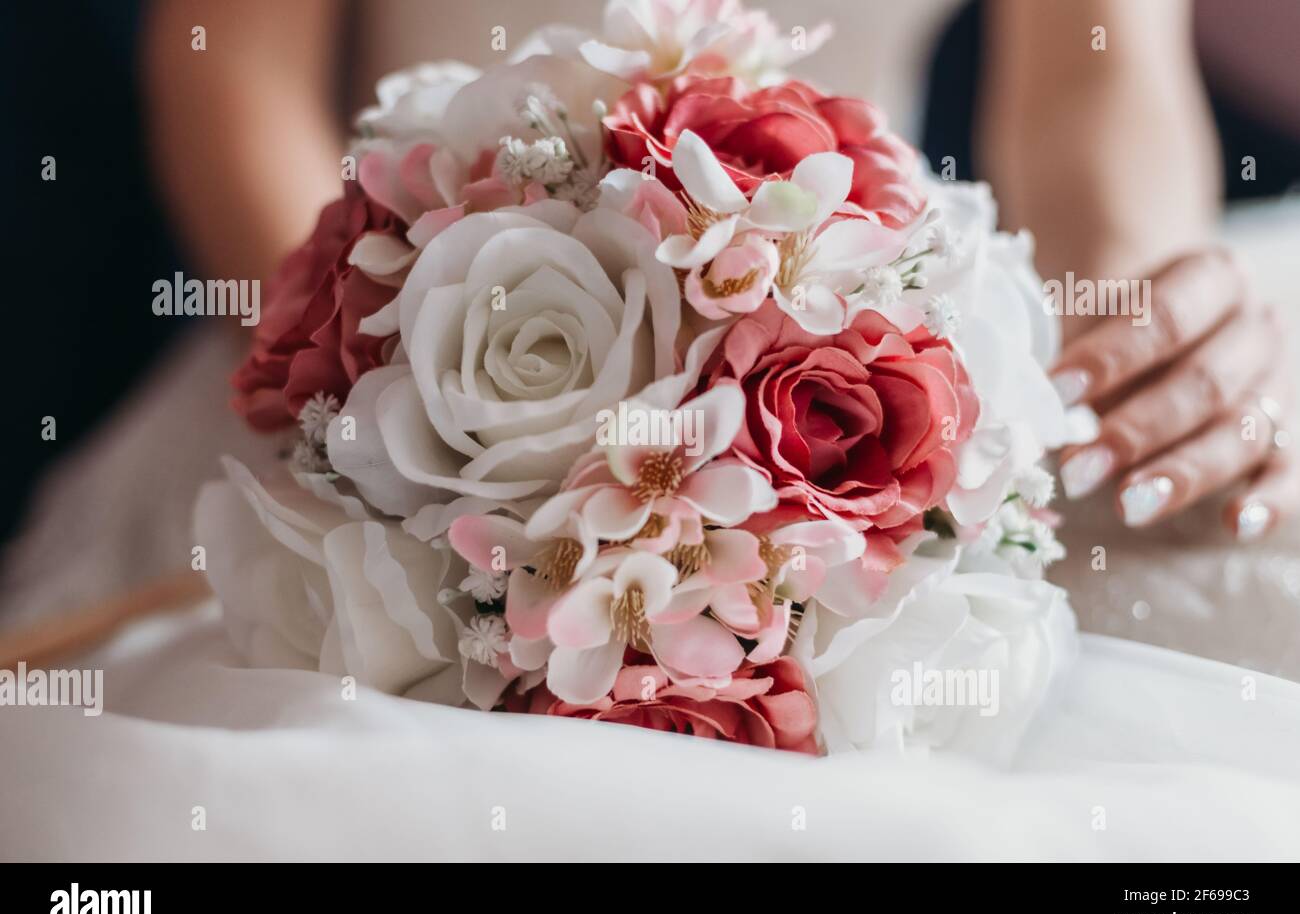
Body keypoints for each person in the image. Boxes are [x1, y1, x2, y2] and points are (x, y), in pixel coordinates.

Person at [1, 0, 1296, 666]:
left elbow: (1092, 81)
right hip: (388, 373)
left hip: (848, 406)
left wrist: (1139, 318)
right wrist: (418, 417)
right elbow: (235, 70)